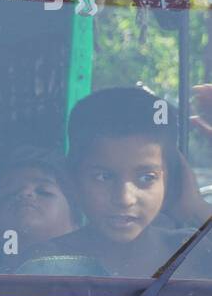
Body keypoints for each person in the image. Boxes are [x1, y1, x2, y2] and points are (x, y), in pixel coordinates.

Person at [31, 86, 212, 277]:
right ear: (70, 180)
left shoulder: (193, 253)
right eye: (103, 177)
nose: (124, 199)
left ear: (172, 180)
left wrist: (196, 208)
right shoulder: (44, 265)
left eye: (146, 178)